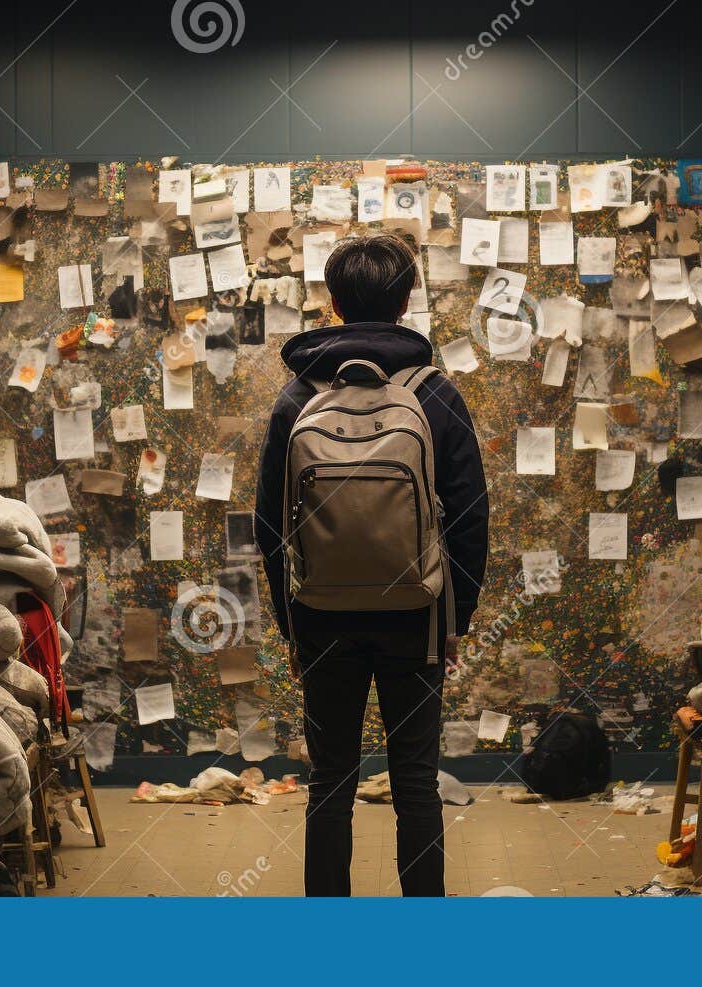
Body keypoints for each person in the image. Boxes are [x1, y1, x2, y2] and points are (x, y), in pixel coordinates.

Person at [254, 232, 488, 897]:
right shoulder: (434, 393)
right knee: (416, 780)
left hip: (323, 617)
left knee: (331, 781)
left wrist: (290, 625)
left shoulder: (296, 398)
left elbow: (269, 525)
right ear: (407, 300)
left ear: (332, 302)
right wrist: (457, 618)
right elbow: (471, 516)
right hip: (414, 616)